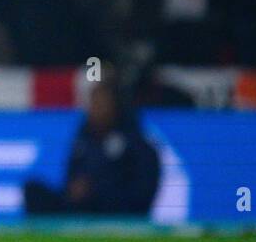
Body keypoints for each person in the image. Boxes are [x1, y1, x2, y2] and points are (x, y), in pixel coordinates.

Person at [24, 84, 162, 216]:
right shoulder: (84, 138)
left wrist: (95, 189)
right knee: (34, 191)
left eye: (100, 104)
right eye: (92, 103)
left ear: (115, 106)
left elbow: (141, 190)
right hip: (80, 206)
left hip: (114, 207)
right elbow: (71, 176)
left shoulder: (136, 143)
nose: (93, 109)